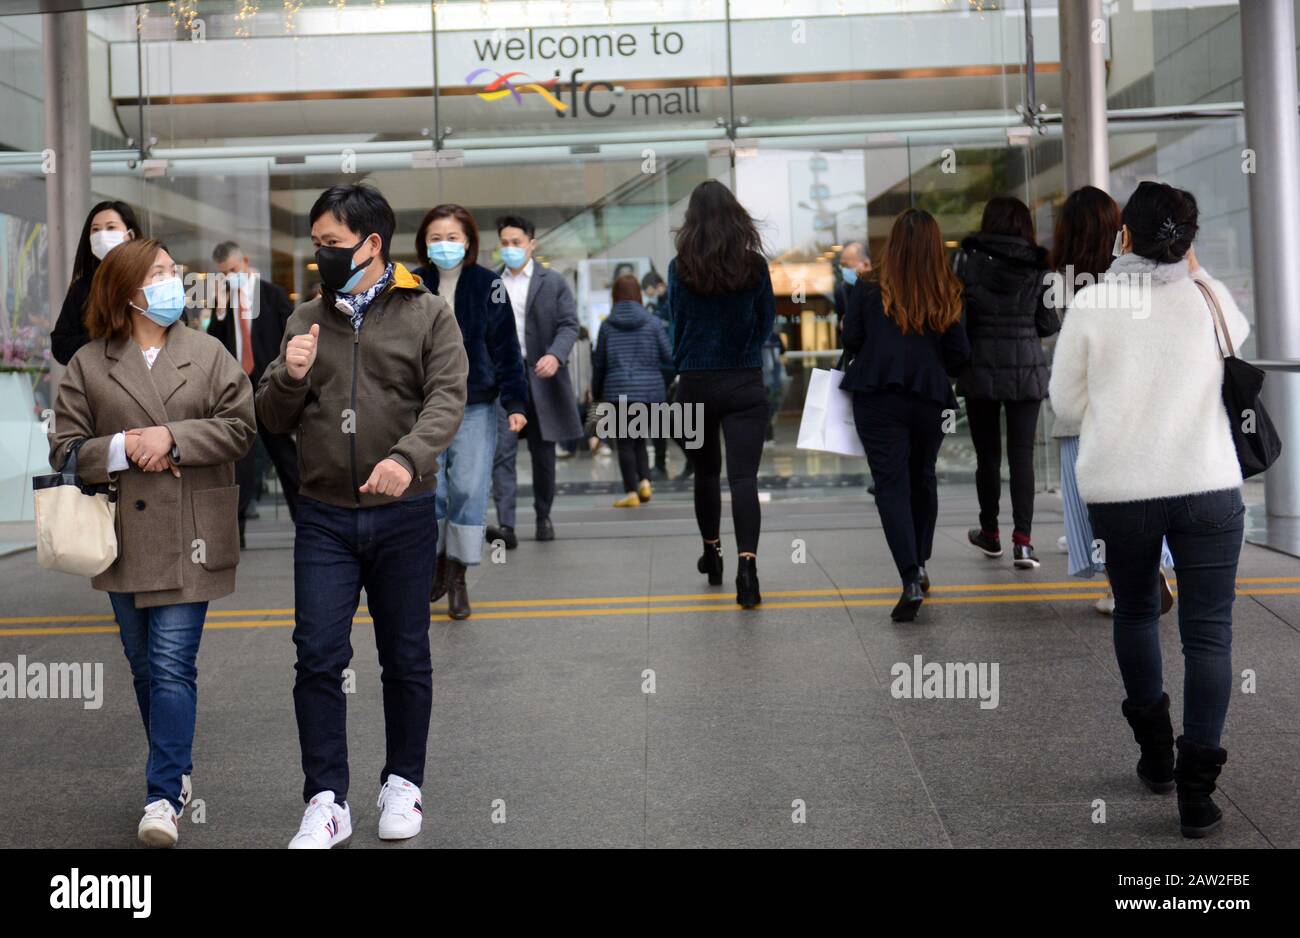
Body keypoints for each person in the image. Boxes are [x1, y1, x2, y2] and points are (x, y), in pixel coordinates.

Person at [256, 184, 468, 849]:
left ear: (371, 245)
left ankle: (404, 783)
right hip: (323, 515)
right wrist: (288, 378)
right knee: (317, 655)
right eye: (316, 244)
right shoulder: (302, 319)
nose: (319, 256)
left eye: (331, 245)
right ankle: (326, 800)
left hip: (403, 513)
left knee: (405, 654)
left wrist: (408, 458)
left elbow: (447, 398)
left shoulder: (427, 313)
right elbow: (270, 417)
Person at [1049, 181, 1249, 839]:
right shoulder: (1210, 296)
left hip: (1122, 491)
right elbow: (1236, 339)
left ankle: (1156, 759)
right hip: (1209, 487)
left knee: (1136, 610)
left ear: (1123, 236)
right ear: (1188, 243)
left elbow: (1067, 408)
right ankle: (1197, 794)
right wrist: (1191, 267)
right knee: (1208, 634)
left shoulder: (1093, 302)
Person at [49, 237, 256, 847]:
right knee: (144, 667)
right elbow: (64, 448)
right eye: (161, 273)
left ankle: (162, 795)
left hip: (192, 527)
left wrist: (171, 437)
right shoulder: (89, 362)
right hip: (123, 536)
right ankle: (178, 768)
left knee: (170, 665)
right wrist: (120, 447)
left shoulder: (208, 351)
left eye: (174, 271)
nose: (174, 281)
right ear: (128, 289)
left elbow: (241, 429)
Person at [1048, 187, 1175, 616]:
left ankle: (1116, 584)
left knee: (1092, 500)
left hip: (1084, 408)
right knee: (1139, 487)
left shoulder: (1061, 281)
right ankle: (1153, 561)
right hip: (1133, 402)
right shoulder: (1132, 274)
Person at [841, 210, 970, 622]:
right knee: (923, 477)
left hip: (877, 396)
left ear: (892, 243)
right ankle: (923, 561)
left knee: (890, 485)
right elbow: (960, 355)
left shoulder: (866, 286)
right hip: (930, 397)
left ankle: (910, 576)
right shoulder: (946, 288)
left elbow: (852, 339)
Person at [413, 204, 528, 620]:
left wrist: (516, 402)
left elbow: (506, 348)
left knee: (468, 487)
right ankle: (437, 563)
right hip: (422, 403)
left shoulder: (487, 284)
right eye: (436, 238)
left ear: (469, 242)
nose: (444, 245)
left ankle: (458, 575)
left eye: (453, 237)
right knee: (434, 491)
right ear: (424, 243)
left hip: (476, 401)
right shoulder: (411, 284)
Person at [669, 180, 775, 609]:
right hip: (745, 382)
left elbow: (675, 321)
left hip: (695, 383)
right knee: (744, 478)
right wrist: (745, 347)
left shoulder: (681, 267)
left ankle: (712, 553)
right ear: (737, 216)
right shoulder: (755, 266)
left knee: (707, 474)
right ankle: (747, 569)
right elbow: (766, 322)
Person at [956, 196, 1058, 569]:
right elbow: (1048, 324)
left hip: (980, 366)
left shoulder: (967, 261)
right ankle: (1024, 543)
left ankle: (991, 533)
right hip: (1026, 369)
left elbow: (960, 319)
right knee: (1022, 457)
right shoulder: (1040, 265)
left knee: (987, 457)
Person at [489, 214, 583, 544]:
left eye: (516, 243)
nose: (511, 249)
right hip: (504, 380)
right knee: (502, 454)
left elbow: (570, 324)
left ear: (532, 244)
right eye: (505, 244)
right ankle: (507, 525)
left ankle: (543, 516)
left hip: (543, 378)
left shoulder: (553, 282)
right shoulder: (491, 283)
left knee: (544, 454)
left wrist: (555, 355)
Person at [206, 240, 300, 541]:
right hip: (237, 392)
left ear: (245, 262)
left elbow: (291, 335)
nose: (229, 277)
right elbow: (213, 346)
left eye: (233, 270)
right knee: (238, 465)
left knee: (286, 458)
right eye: (223, 273)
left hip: (269, 388)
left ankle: (307, 523)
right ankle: (236, 533)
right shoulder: (224, 302)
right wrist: (219, 313)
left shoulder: (272, 295)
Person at [591, 274, 673, 507]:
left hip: (619, 391)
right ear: (638, 294)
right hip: (650, 392)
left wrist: (596, 393)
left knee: (625, 443)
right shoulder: (653, 322)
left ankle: (631, 492)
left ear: (615, 296)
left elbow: (600, 363)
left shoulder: (607, 326)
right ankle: (645, 481)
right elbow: (669, 355)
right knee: (640, 440)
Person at [51, 200, 143, 365]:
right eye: (95, 230)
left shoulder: (149, 277)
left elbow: (175, 324)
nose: (102, 235)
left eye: (111, 227)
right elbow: (60, 345)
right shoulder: (82, 286)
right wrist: (103, 340)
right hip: (97, 384)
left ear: (130, 235)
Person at [833, 241, 871, 323]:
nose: (843, 271)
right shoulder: (843, 292)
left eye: (846, 266)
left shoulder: (883, 293)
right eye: (842, 266)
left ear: (866, 265)